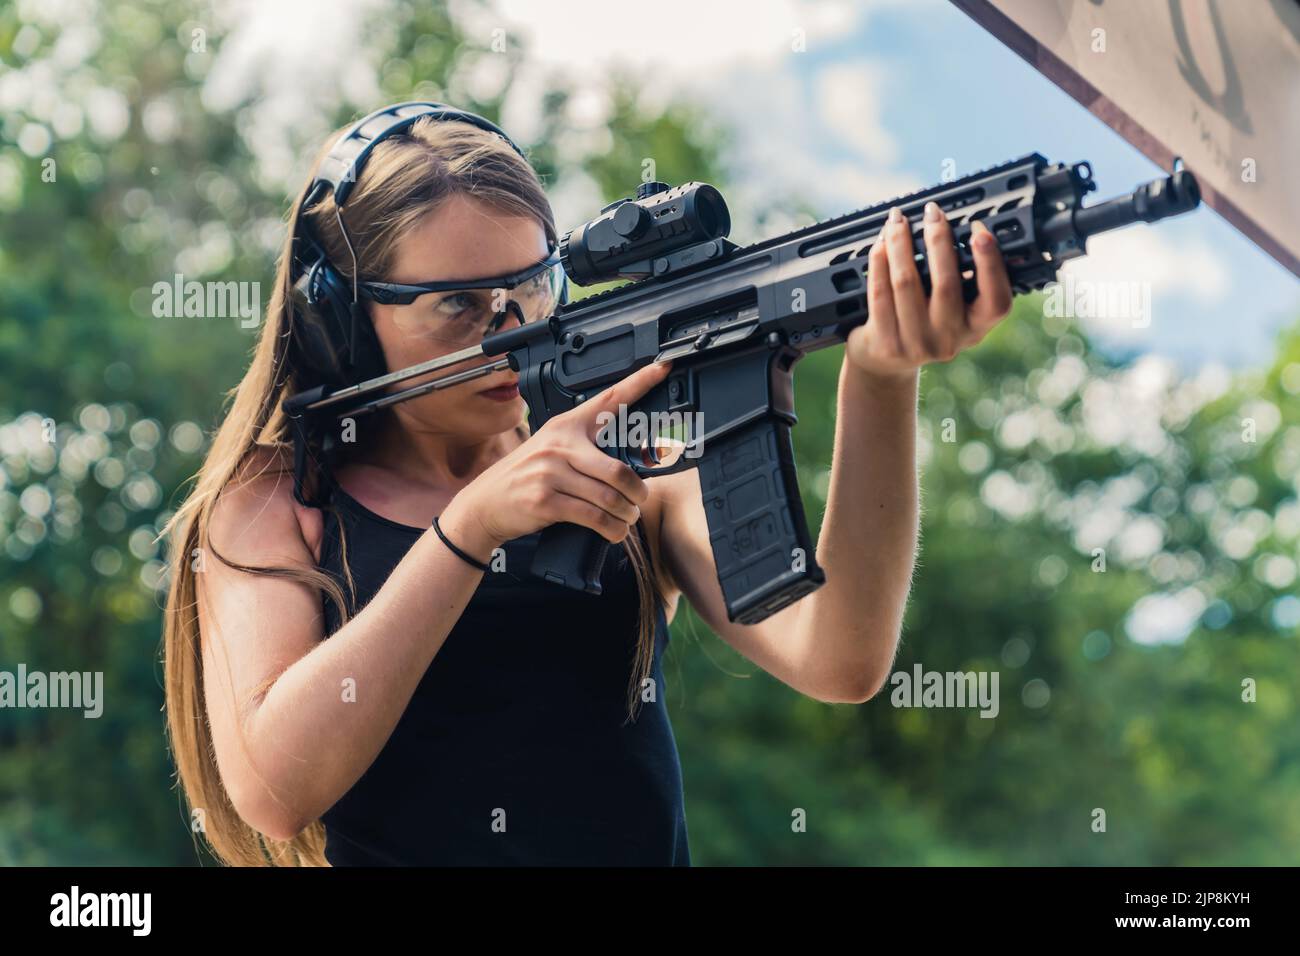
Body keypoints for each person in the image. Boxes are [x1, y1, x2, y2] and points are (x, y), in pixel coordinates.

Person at [161, 103, 1014, 867]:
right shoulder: (278, 502)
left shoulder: (630, 457)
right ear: (341, 319)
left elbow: (840, 658)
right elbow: (274, 793)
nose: (513, 327)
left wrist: (882, 378)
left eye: (532, 286)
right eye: (457, 305)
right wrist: (469, 532)